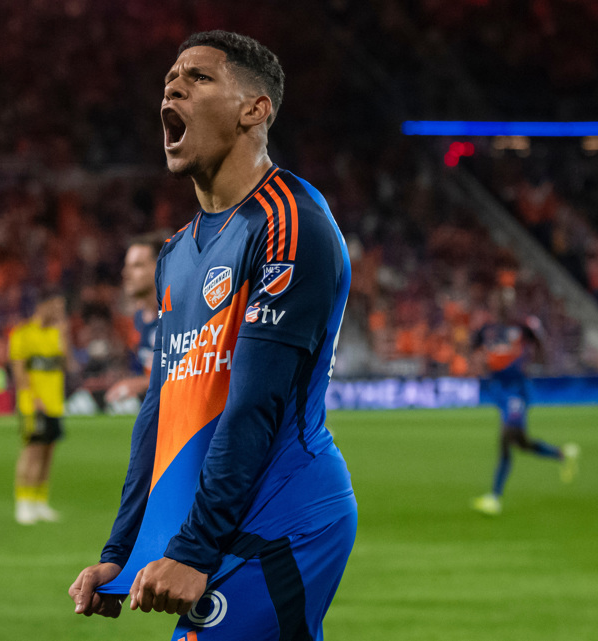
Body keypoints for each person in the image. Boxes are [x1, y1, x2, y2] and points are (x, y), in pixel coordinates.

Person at [68, 30, 357, 640]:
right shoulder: (175, 253)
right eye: (170, 78)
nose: (172, 86)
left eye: (198, 77)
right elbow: (161, 411)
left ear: (255, 110)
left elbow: (256, 401)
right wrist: (122, 552)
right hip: (224, 523)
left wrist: (195, 549)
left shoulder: (289, 221)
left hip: (285, 512)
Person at [470, 297, 579, 516]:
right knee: (521, 443)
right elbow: (482, 353)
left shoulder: (520, 333)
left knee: (506, 441)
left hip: (516, 394)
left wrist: (533, 357)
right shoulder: (493, 332)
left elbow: (536, 344)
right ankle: (561, 454)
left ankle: (494, 497)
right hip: (503, 394)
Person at [8, 290, 69, 525]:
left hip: (55, 403)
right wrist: (33, 398)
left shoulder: (56, 333)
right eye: (56, 307)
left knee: (48, 452)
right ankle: (23, 502)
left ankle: (40, 501)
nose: (60, 313)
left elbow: (66, 365)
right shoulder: (23, 333)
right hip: (33, 404)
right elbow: (19, 370)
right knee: (31, 452)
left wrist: (64, 337)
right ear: (43, 306)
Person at [106, 234, 164, 407]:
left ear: (159, 267)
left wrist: (139, 384)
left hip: (172, 404)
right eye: (127, 266)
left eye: (137, 266)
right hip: (148, 399)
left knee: (125, 404)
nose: (126, 273)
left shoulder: (177, 316)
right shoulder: (138, 320)